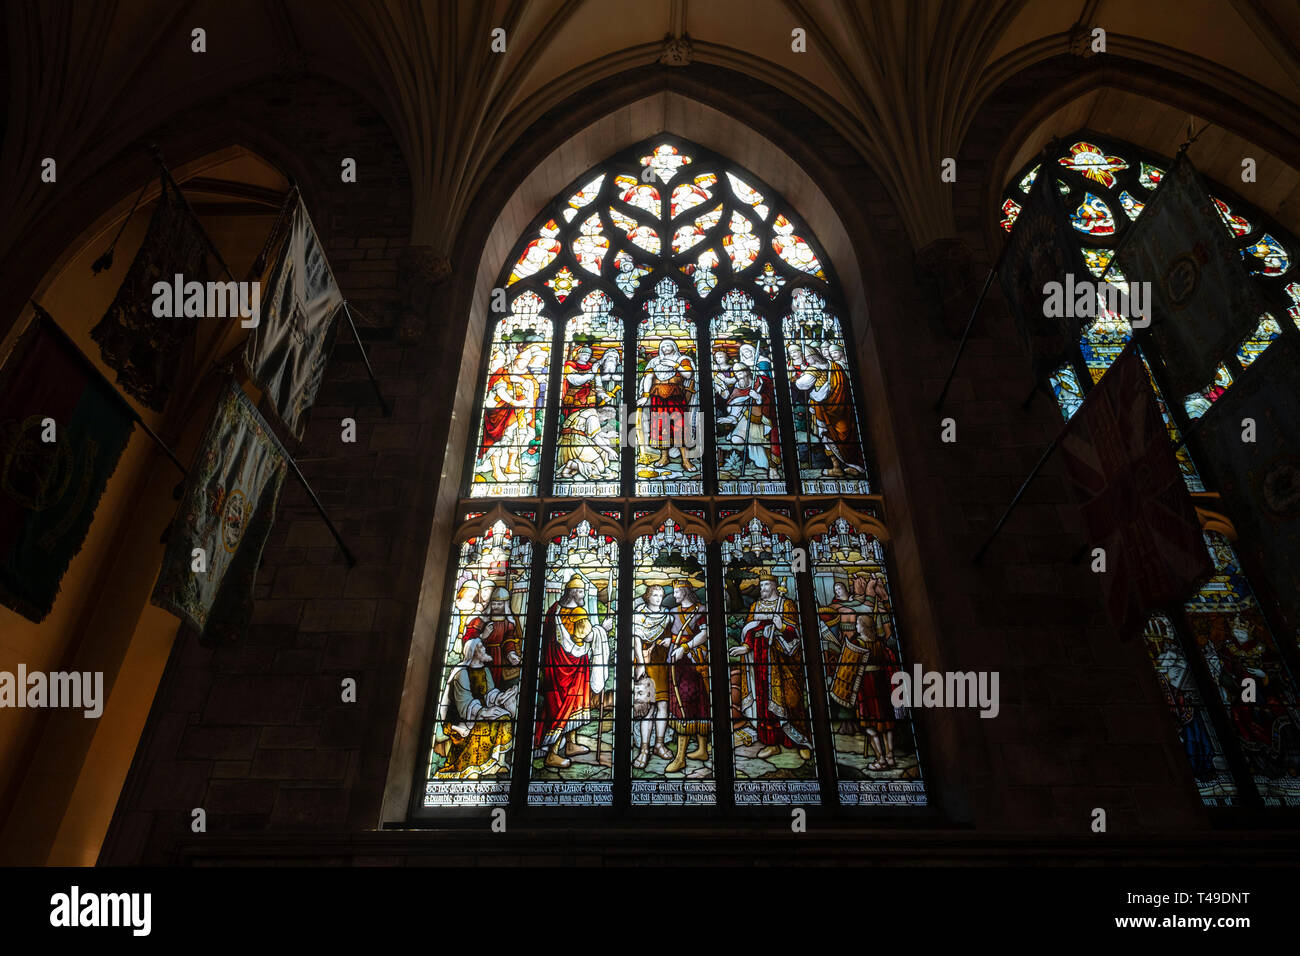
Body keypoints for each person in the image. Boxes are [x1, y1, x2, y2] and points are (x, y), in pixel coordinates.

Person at [534, 575, 613, 768]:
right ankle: (551, 754)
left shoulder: (554, 611)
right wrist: (603, 628)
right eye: (580, 591)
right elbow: (586, 637)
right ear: (572, 592)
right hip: (567, 667)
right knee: (564, 706)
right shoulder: (577, 612)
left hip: (561, 665)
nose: (583, 595)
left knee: (574, 703)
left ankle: (570, 744)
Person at [730, 574, 812, 760]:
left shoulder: (786, 605)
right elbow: (750, 631)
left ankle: (801, 742)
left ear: (774, 586)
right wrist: (745, 647)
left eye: (766, 585)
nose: (762, 588)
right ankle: (771, 743)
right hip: (759, 660)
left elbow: (796, 633)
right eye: (761, 585)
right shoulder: (755, 607)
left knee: (791, 701)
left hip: (782, 662)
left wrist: (782, 626)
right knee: (764, 703)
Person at [434, 636, 519, 777]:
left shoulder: (485, 670)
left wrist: (502, 697)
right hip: (465, 718)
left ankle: (498, 764)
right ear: (473, 652)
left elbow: (490, 694)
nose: (484, 649)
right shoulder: (461, 672)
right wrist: (483, 712)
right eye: (481, 647)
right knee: (483, 724)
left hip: (481, 710)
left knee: (504, 718)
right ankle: (475, 767)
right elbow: (464, 703)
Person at [793, 345, 863, 477]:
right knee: (845, 436)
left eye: (806, 358)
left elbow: (802, 385)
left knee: (827, 436)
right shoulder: (833, 366)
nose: (806, 360)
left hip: (824, 410)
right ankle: (852, 465)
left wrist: (804, 372)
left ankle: (838, 466)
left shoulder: (814, 369)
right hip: (841, 408)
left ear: (811, 357)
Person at [664, 579, 711, 773]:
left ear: (685, 591)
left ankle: (685, 756)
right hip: (677, 663)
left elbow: (705, 634)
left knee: (692, 703)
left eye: (676, 591)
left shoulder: (700, 610)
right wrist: (671, 641)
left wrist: (685, 647)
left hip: (694, 662)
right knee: (681, 704)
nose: (674, 595)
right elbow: (675, 634)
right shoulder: (674, 612)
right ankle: (695, 751)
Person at [479, 345, 542, 482]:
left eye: (527, 361)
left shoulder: (528, 377)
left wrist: (528, 389)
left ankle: (510, 464)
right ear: (515, 360)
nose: (524, 364)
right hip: (502, 412)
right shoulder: (502, 373)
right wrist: (515, 398)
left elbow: (533, 393)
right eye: (522, 360)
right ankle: (496, 470)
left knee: (525, 434)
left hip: (521, 412)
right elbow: (497, 389)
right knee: (503, 439)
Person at [632, 584, 673, 768]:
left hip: (662, 664)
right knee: (646, 710)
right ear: (647, 596)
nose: (658, 598)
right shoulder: (639, 615)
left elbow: (673, 635)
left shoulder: (667, 616)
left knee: (663, 705)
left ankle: (659, 744)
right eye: (654, 595)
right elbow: (637, 640)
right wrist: (640, 663)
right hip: (645, 666)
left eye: (660, 595)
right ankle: (644, 749)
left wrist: (670, 640)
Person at [639, 338, 696, 471]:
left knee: (680, 426)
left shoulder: (682, 360)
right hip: (658, 396)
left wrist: (674, 364)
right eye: (662, 347)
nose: (665, 349)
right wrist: (645, 395)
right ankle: (664, 457)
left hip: (676, 396)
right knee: (661, 427)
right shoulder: (654, 361)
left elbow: (688, 375)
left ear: (674, 347)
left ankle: (686, 460)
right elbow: (648, 377)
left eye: (668, 346)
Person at [460, 586, 521, 689]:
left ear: (505, 605)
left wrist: (511, 654)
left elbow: (508, 641)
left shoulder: (508, 623)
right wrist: (483, 636)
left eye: (499, 604)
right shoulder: (480, 621)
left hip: (499, 657)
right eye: (494, 603)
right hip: (481, 655)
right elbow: (467, 640)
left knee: (495, 684)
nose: (495, 607)